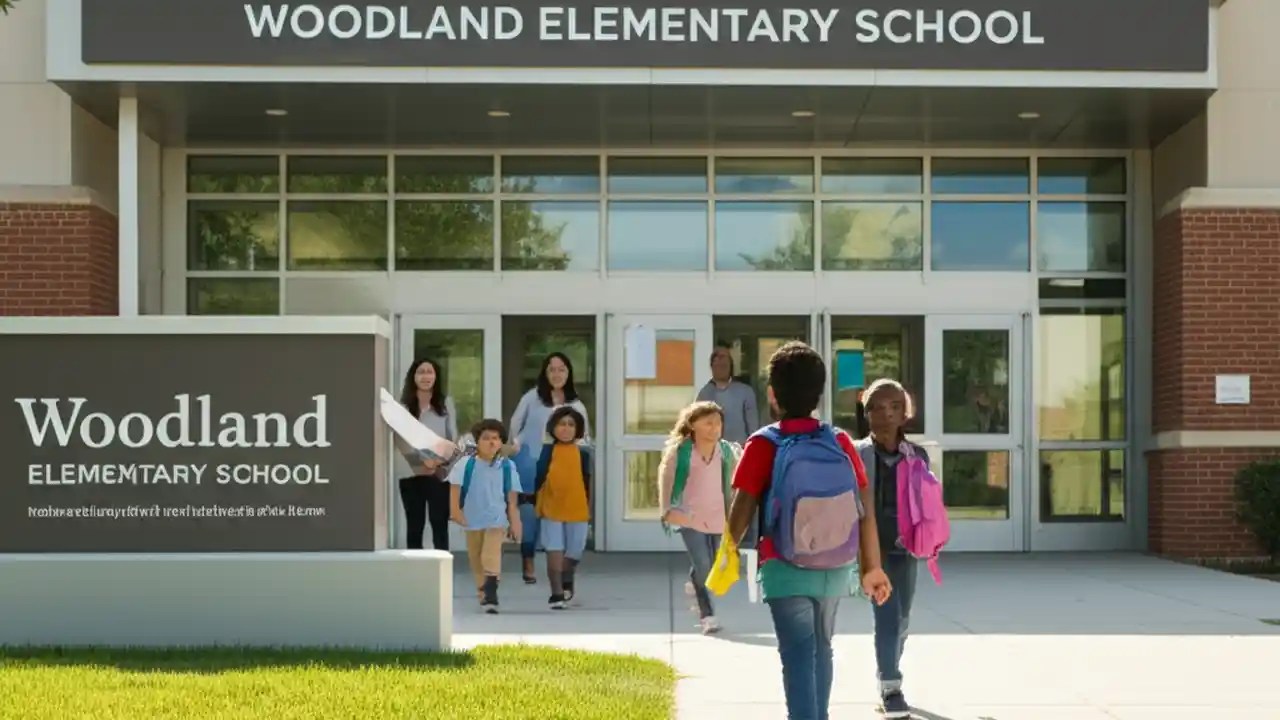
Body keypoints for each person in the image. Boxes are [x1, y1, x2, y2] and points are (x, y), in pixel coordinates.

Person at [726, 341, 892, 720]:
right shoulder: (840, 441)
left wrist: (725, 554)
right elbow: (863, 509)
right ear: (819, 394)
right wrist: (873, 568)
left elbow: (743, 506)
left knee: (798, 655)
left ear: (772, 394)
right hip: (835, 566)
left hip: (785, 568)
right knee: (822, 647)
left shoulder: (764, 443)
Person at [855, 378, 928, 719]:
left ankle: (889, 669)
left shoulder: (917, 455)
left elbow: (927, 501)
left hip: (906, 548)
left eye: (895, 406)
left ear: (905, 413)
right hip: (874, 550)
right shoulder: (856, 454)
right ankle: (891, 686)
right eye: (878, 407)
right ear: (866, 413)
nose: (887, 414)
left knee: (902, 619)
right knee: (886, 616)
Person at [509, 352, 592, 584]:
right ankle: (528, 560)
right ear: (545, 373)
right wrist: (515, 448)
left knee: (559, 520)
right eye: (552, 369)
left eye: (561, 369)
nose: (557, 374)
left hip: (563, 468)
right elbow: (515, 427)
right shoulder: (532, 398)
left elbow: (584, 437)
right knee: (530, 516)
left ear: (569, 373)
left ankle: (564, 569)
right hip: (530, 464)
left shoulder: (575, 404)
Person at [658, 400, 740, 635]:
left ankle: (695, 586)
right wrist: (666, 510)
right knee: (702, 564)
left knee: (713, 564)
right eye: (708, 423)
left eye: (718, 423)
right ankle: (707, 615)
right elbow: (666, 478)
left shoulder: (726, 451)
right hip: (689, 517)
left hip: (717, 517)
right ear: (692, 425)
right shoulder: (681, 452)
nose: (714, 428)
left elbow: (737, 479)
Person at [448, 418, 522, 614]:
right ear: (477, 441)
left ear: (501, 442)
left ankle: (491, 591)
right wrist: (456, 512)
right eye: (486, 438)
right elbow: (455, 489)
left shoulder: (507, 467)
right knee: (476, 557)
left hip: (496, 519)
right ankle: (484, 593)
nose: (491, 443)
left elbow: (511, 499)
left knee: (490, 553)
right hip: (472, 518)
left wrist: (515, 522)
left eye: (496, 439)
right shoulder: (466, 464)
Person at [533, 406, 593, 610]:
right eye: (561, 424)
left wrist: (589, 508)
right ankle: (556, 594)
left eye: (570, 425)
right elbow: (539, 478)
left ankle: (568, 576)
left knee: (574, 552)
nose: (566, 429)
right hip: (552, 510)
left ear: (578, 429)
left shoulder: (583, 454)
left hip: (577, 510)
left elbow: (587, 483)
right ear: (553, 428)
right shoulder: (548, 451)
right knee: (554, 551)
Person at [396, 358, 458, 550]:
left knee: (439, 524)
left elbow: (452, 438)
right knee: (414, 526)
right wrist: (420, 462)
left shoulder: (446, 403)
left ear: (436, 376)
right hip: (410, 472)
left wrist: (437, 461)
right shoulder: (403, 406)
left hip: (438, 473)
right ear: (413, 377)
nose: (426, 376)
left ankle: (442, 569)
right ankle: (414, 572)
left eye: (429, 372)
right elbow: (400, 439)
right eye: (421, 372)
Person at [696, 344, 760, 445]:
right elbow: (698, 427)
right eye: (717, 359)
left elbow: (753, 428)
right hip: (712, 453)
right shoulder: (704, 394)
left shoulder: (745, 392)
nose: (721, 363)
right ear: (712, 366)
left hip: (740, 453)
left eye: (724, 360)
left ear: (731, 365)